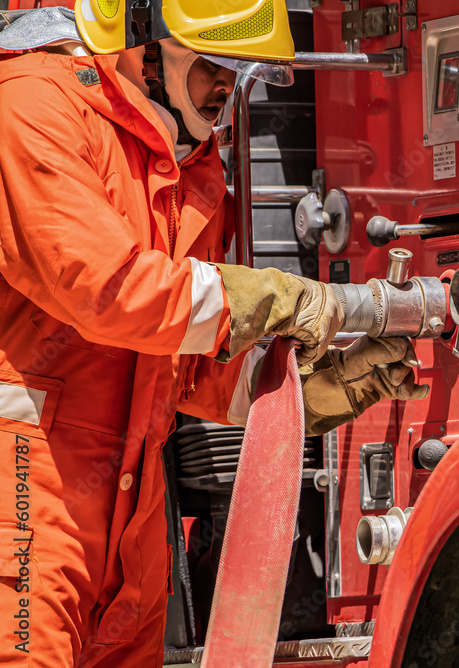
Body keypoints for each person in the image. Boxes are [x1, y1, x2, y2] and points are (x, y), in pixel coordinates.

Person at [0, 2, 428, 665]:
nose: (227, 87)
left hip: (130, 516)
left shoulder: (188, 166)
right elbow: (103, 287)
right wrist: (257, 296)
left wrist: (295, 395)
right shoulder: (32, 107)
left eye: (243, 70)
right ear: (144, 43)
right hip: (26, 492)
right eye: (214, 65)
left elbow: (176, 361)